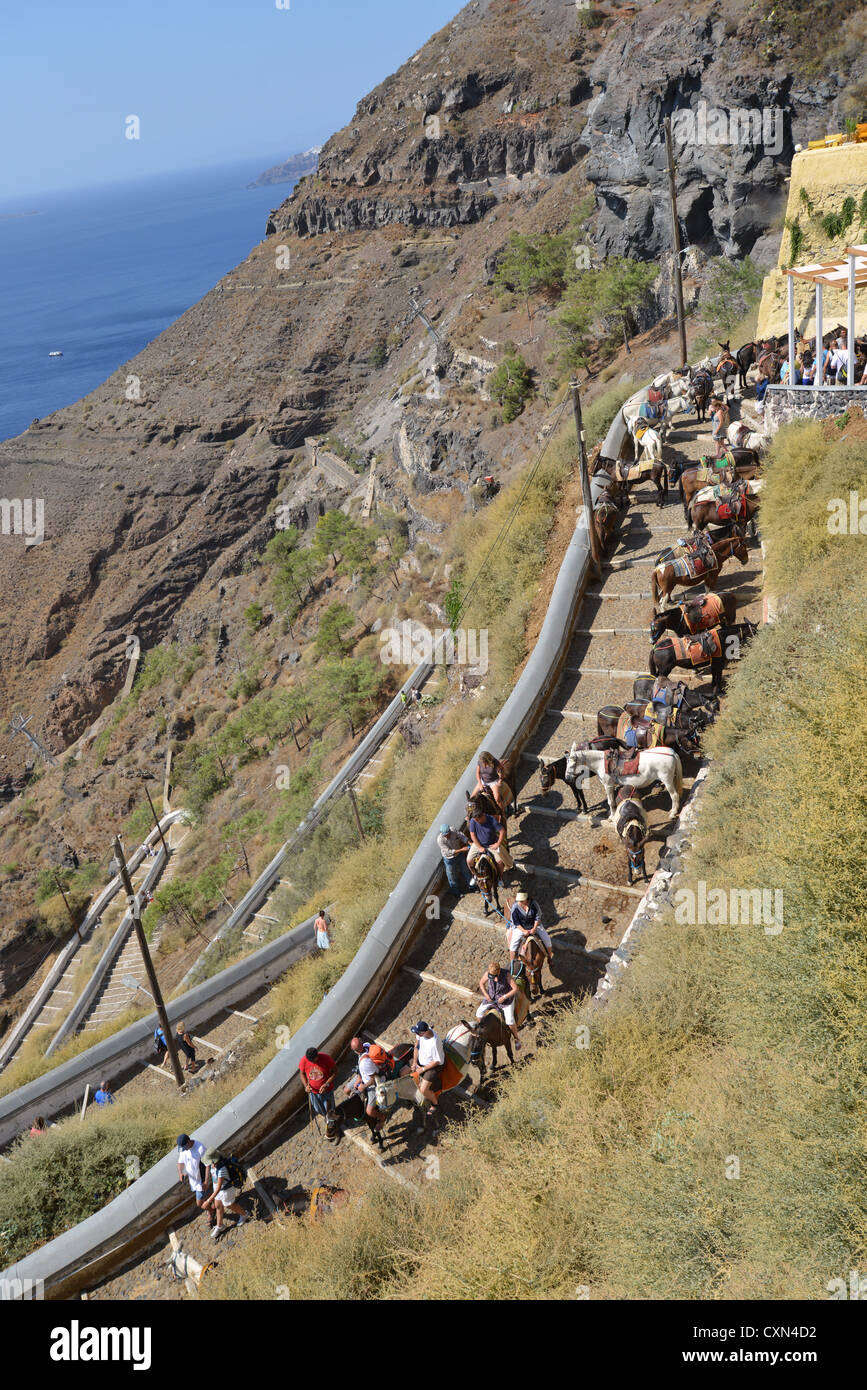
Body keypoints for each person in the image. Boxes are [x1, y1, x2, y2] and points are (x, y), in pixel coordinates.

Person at [344, 1037, 387, 1145]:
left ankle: (382, 1117)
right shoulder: (366, 1045)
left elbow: (374, 1078)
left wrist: (363, 1086)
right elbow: (360, 1070)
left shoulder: (365, 1063)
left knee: (369, 1111)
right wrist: (358, 1079)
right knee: (346, 1090)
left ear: (356, 1050)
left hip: (372, 1081)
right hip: (363, 1075)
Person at [202, 1148, 248, 1238]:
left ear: (214, 1160)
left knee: (230, 1205)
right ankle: (220, 1226)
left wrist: (208, 1200)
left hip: (226, 1191)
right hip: (218, 1190)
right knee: (218, 1206)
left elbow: (219, 1187)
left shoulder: (222, 1169)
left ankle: (244, 1214)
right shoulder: (213, 1166)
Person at [477, 960, 521, 1050]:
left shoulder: (507, 975)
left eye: (494, 976)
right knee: (478, 1013)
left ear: (499, 972)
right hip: (491, 998)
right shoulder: (488, 973)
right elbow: (481, 983)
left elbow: (515, 989)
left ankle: (516, 1039)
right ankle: (483, 1032)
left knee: (510, 1020)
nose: (493, 978)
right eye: (491, 976)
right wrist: (486, 995)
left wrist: (504, 997)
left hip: (505, 1000)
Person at [507, 891, 554, 966]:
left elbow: (538, 917)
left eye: (522, 900)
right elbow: (515, 921)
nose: (520, 902)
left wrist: (534, 928)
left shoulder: (534, 904)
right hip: (521, 928)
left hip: (535, 926)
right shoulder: (515, 906)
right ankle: (512, 964)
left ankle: (549, 957)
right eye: (519, 900)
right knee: (513, 946)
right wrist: (523, 930)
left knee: (547, 940)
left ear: (526, 899)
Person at [177, 1133, 214, 1225]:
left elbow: (207, 1165)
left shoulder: (200, 1148)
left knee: (199, 1203)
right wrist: (180, 1172)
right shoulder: (184, 1150)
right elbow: (180, 1162)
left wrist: (206, 1181)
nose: (184, 1150)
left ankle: (211, 1211)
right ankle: (210, 1208)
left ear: (189, 1142)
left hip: (200, 1182)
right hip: (193, 1181)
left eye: (185, 1147)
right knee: (205, 1197)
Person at [410, 1020, 445, 1117]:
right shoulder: (420, 1034)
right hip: (421, 1062)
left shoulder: (435, 1042)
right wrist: (414, 1062)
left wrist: (423, 1069)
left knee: (423, 1089)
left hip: (434, 1066)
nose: (416, 1034)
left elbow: (437, 1061)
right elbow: (416, 1047)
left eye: (417, 1032)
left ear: (423, 1032)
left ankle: (434, 1104)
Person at [467, 804, 514, 875]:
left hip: (491, 845)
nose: (475, 821)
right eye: (475, 820)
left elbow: (502, 831)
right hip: (478, 844)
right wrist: (479, 847)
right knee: (469, 861)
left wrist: (498, 844)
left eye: (477, 820)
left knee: (500, 862)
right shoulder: (473, 820)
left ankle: (499, 877)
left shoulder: (491, 819)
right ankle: (475, 875)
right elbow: (472, 835)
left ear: (482, 816)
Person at [299, 1046, 337, 1123]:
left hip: (327, 1091)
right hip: (313, 1093)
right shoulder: (304, 1060)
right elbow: (301, 1074)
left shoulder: (326, 1058)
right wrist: (306, 1086)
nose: (312, 1062)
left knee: (330, 1110)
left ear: (317, 1056)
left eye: (314, 1060)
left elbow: (335, 1072)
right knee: (318, 1109)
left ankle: (334, 1124)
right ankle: (327, 1118)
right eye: (310, 1061)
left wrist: (326, 1084)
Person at [437, 823, 474, 895]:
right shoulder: (440, 840)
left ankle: (472, 887)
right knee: (451, 875)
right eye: (445, 835)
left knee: (465, 871)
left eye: (448, 833)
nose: (447, 835)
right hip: (449, 859)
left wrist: (469, 842)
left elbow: (461, 836)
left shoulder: (453, 830)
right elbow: (449, 852)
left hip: (459, 855)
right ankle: (456, 892)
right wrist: (462, 850)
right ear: (442, 834)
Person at [472, 750, 508, 816]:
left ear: (487, 759)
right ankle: (469, 815)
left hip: (493, 782)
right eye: (481, 761)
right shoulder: (480, 762)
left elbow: (502, 769)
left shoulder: (495, 762)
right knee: (472, 798)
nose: (482, 762)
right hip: (483, 781)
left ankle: (503, 813)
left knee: (497, 798)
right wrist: (480, 783)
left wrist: (500, 780)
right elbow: (477, 773)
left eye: (483, 761)